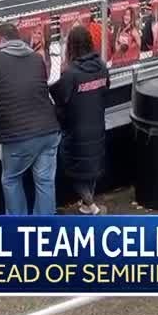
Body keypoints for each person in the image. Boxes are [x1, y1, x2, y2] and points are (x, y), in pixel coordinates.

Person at [0, 23, 61, 215]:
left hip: (18, 134)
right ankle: (44, 229)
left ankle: (18, 228)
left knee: (12, 179)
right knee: (45, 181)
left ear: (2, 40)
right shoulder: (36, 58)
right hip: (49, 129)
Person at [50, 26, 109, 214]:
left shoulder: (71, 73)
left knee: (75, 170)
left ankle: (92, 206)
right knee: (91, 167)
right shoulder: (101, 66)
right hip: (97, 125)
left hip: (76, 130)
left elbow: (60, 99)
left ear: (71, 47)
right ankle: (86, 206)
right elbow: (106, 89)